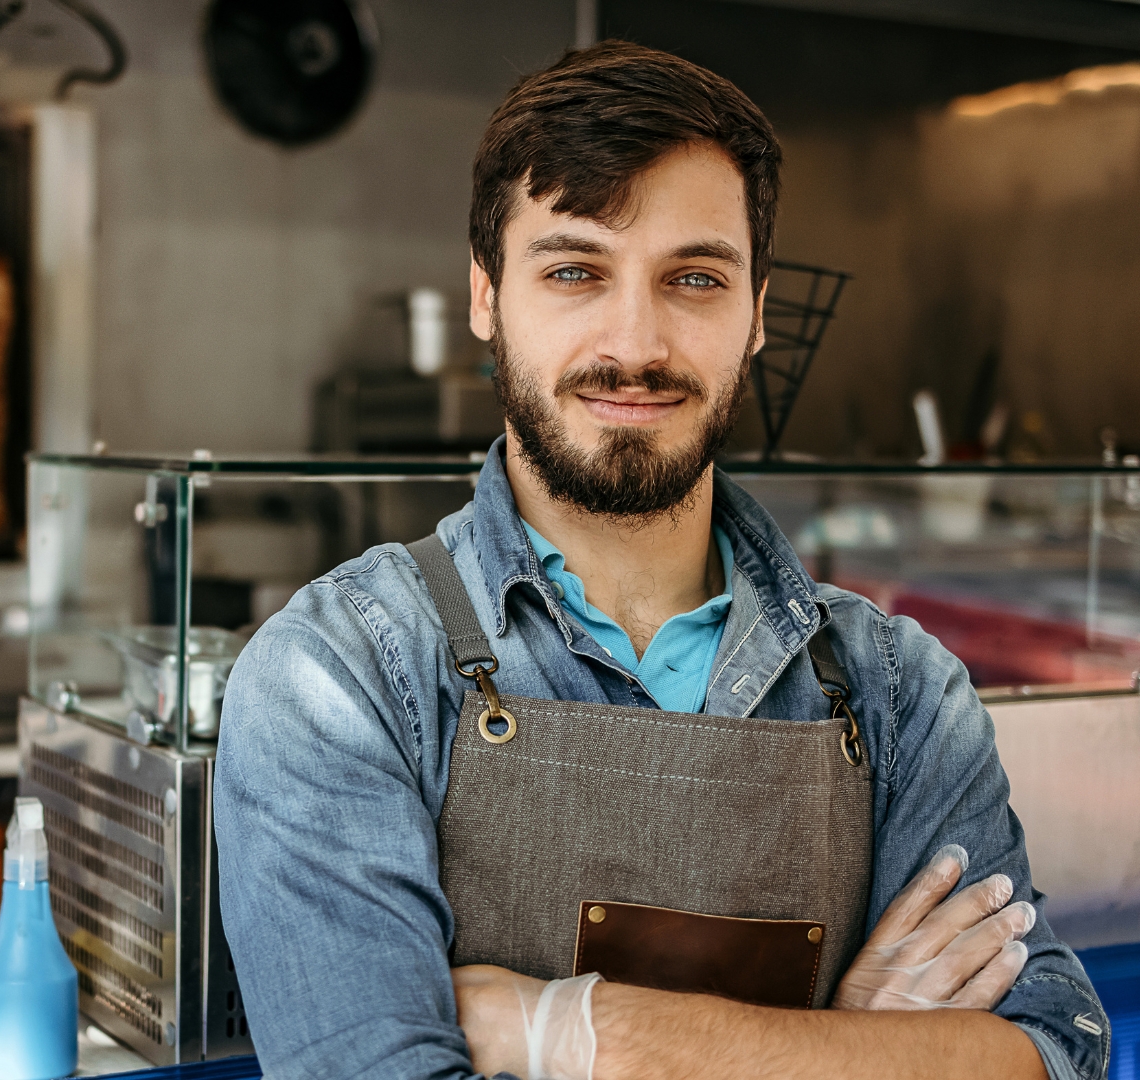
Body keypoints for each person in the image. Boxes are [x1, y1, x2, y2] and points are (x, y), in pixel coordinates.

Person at [213, 41, 1108, 1080]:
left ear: (758, 311)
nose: (635, 342)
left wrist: (578, 1032)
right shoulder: (343, 676)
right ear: (486, 299)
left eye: (693, 277)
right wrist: (860, 1049)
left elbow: (1055, 1055)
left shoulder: (900, 692)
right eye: (574, 271)